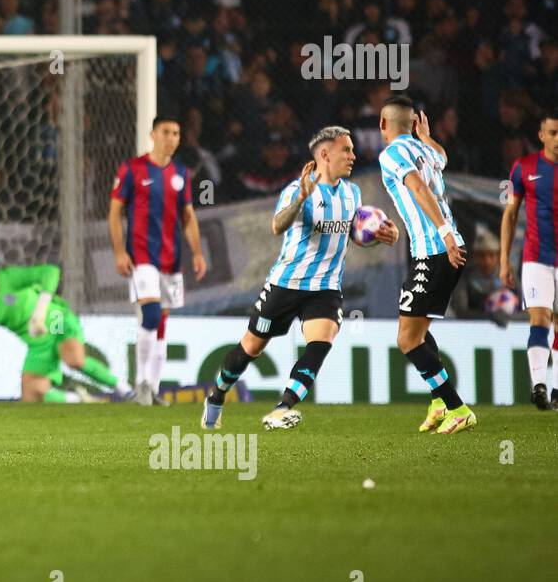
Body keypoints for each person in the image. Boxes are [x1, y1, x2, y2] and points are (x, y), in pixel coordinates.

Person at [201, 126, 397, 430]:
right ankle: (216, 395)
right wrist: (301, 199)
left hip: (326, 288)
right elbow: (277, 226)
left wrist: (386, 233)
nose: (353, 156)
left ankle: (283, 407)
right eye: (346, 150)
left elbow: (353, 232)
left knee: (321, 342)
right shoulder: (297, 190)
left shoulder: (353, 193)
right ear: (324, 154)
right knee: (252, 347)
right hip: (287, 284)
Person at [378, 95, 475, 434]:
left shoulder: (390, 155)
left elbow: (418, 188)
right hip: (434, 251)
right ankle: (438, 401)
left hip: (437, 249)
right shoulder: (429, 152)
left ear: (382, 125)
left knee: (408, 340)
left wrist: (445, 234)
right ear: (415, 125)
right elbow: (443, 158)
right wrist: (427, 137)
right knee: (416, 330)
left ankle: (457, 408)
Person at [108, 115, 207, 405]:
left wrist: (198, 252)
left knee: (162, 323)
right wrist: (118, 251)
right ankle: (141, 383)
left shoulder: (181, 173)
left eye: (176, 133)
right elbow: (114, 213)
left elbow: (188, 216)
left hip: (171, 258)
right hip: (141, 255)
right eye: (166, 132)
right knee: (151, 315)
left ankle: (152, 387)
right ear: (153, 134)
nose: (172, 138)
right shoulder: (132, 169)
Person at [0, 254, 129, 404]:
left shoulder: (8, 278)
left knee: (74, 360)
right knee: (31, 396)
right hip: (38, 343)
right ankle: (77, 399)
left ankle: (125, 390)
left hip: (55, 317)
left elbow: (51, 271)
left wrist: (39, 312)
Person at [499, 108, 558, 410]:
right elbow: (510, 214)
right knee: (540, 318)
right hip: (535, 258)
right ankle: (539, 385)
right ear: (541, 135)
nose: (557, 139)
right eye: (553, 132)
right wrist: (504, 260)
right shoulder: (523, 168)